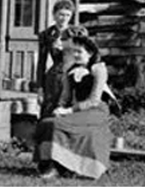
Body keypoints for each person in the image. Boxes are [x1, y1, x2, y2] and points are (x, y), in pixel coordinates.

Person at [34, 34, 112, 180]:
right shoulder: (71, 70)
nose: (75, 55)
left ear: (90, 53)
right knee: (47, 122)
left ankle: (61, 167)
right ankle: (52, 165)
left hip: (97, 111)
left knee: (57, 124)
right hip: (79, 110)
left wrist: (68, 111)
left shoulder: (98, 69)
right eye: (73, 51)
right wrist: (59, 108)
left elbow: (94, 100)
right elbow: (66, 96)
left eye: (79, 52)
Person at [37, 0, 89, 117]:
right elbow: (41, 62)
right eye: (61, 14)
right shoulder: (46, 35)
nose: (64, 18)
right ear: (54, 14)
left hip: (74, 74)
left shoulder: (78, 33)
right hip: (54, 78)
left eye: (67, 15)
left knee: (70, 109)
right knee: (50, 109)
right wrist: (39, 88)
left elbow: (86, 56)